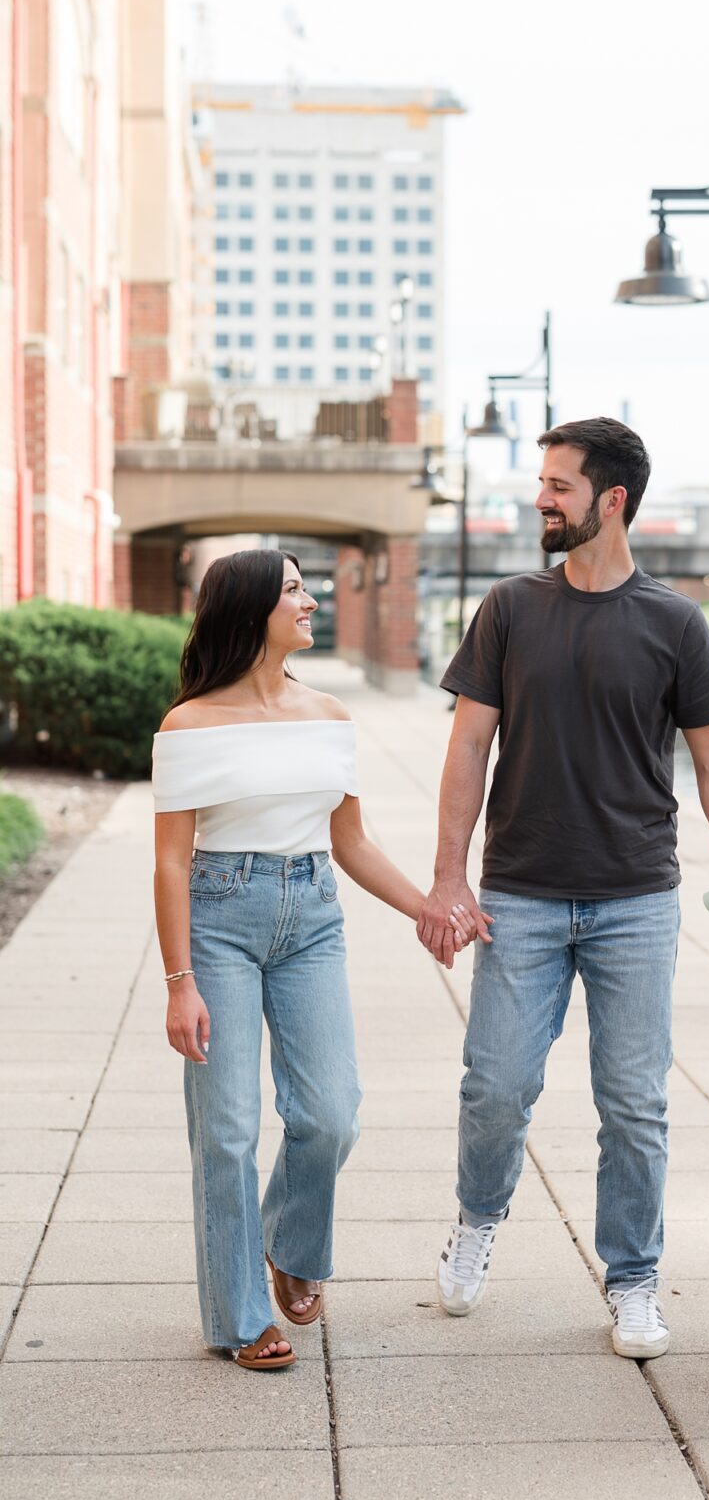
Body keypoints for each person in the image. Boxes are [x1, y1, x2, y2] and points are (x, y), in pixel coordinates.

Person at [417, 417, 709, 1359]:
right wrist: (448, 879)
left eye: (559, 485)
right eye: (542, 482)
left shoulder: (674, 623)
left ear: (611, 501)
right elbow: (467, 749)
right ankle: (478, 1220)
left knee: (634, 1104)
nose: (542, 497)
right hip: (521, 894)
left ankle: (634, 1278)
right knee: (496, 1086)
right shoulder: (509, 608)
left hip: (635, 901)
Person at [152, 548, 469, 1370]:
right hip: (219, 917)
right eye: (293, 589)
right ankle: (239, 1316)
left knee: (331, 1115)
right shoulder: (188, 725)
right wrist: (178, 981)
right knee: (226, 1131)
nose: (310, 599)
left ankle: (290, 1242)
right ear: (250, 607)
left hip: (312, 918)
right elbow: (169, 861)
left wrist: (427, 908)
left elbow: (351, 841)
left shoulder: (329, 716)